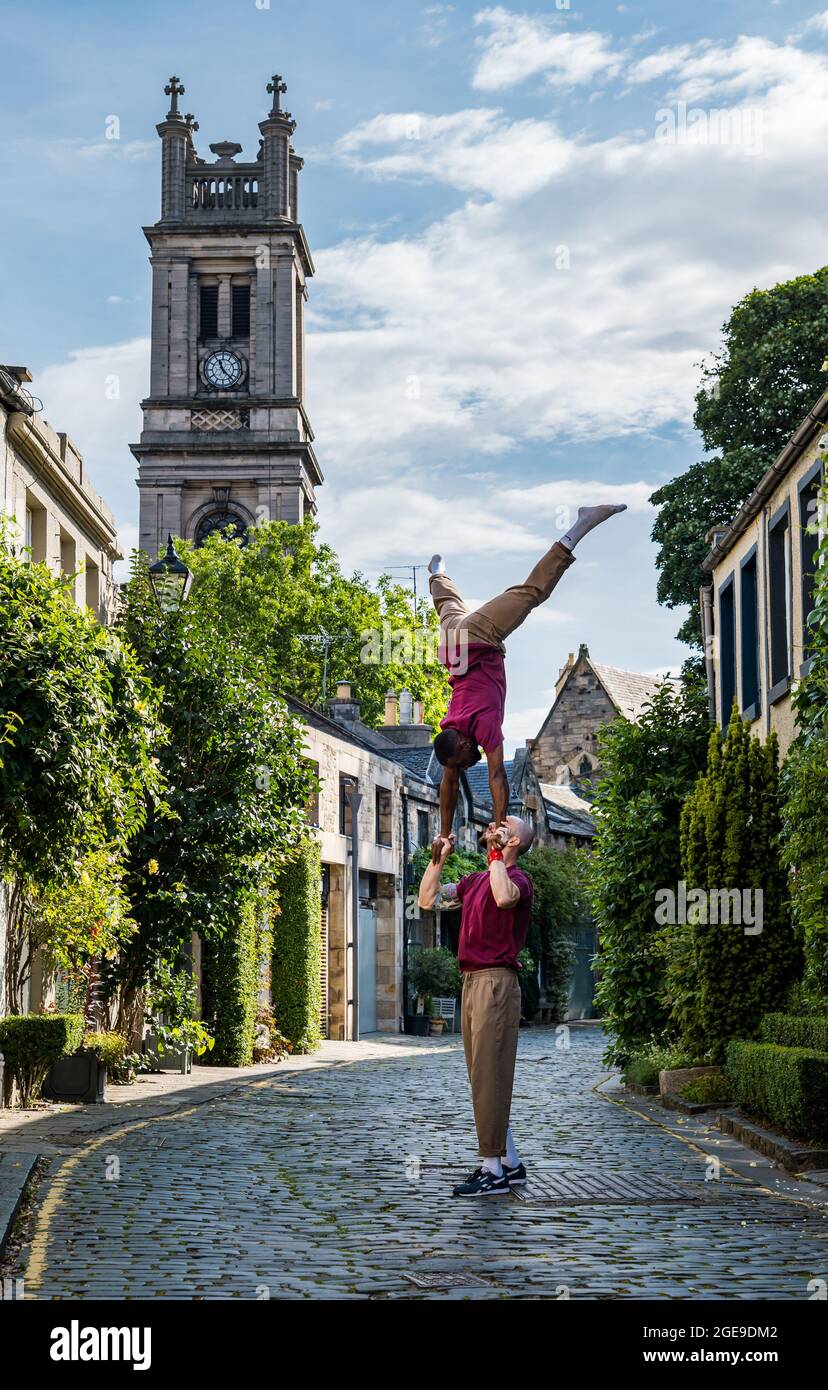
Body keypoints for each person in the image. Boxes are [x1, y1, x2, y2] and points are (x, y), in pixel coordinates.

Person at [428, 503, 626, 859]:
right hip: (451, 647)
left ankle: (578, 528)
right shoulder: (451, 730)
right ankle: (437, 575)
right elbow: (449, 781)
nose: (469, 762)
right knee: (447, 608)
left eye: (464, 759)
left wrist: (501, 828)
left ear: (459, 745)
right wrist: (443, 835)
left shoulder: (482, 727)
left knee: (531, 593)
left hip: (478, 638)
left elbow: (497, 779)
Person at [419, 815, 536, 1196]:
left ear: (514, 840)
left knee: (489, 1075)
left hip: (496, 983)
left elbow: (503, 899)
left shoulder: (517, 881)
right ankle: (510, 1164)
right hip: (471, 981)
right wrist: (438, 859)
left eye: (503, 825)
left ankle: (493, 1172)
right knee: (483, 1078)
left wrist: (497, 856)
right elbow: (428, 900)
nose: (491, 825)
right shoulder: (474, 880)